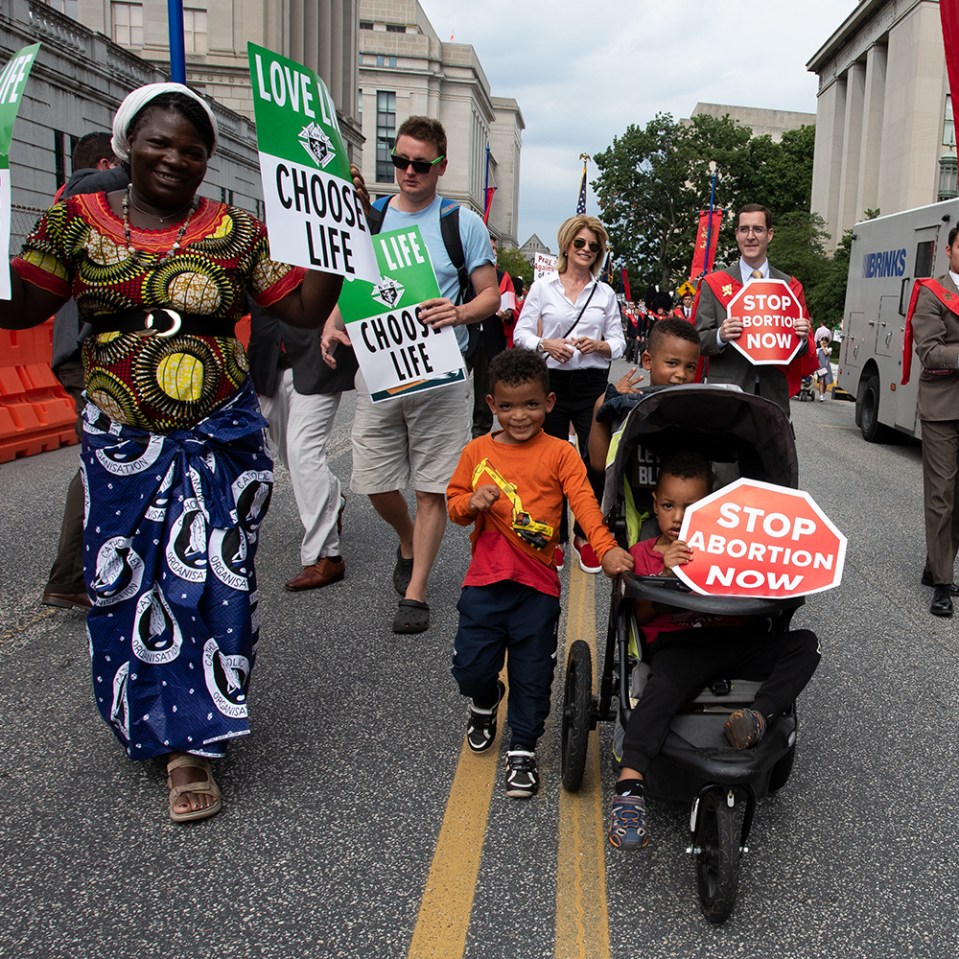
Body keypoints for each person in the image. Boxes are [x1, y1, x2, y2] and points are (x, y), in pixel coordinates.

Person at [0, 83, 346, 823]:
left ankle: (191, 745)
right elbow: (25, 304)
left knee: (211, 581)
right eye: (159, 142)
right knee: (125, 582)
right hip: (121, 443)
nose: (174, 158)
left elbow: (302, 309)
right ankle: (141, 711)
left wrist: (332, 238)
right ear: (128, 143)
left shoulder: (235, 230)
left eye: (192, 149)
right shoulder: (75, 220)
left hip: (217, 438)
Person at [322, 115, 500, 634]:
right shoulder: (369, 218)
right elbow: (353, 285)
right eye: (400, 161)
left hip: (442, 376)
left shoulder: (461, 222)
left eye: (420, 164)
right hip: (381, 372)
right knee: (373, 482)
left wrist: (460, 312)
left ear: (440, 166)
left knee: (432, 489)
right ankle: (405, 538)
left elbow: (489, 295)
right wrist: (333, 326)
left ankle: (417, 590)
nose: (408, 172)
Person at [607, 452, 821, 850]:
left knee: (806, 644)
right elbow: (639, 613)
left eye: (690, 507)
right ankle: (630, 785)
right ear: (654, 504)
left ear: (712, 507)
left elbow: (774, 576)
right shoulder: (644, 554)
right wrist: (663, 574)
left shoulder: (735, 547)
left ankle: (757, 716)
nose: (677, 517)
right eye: (668, 506)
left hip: (736, 639)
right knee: (662, 687)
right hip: (681, 645)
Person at [446, 348, 633, 797]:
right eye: (507, 406)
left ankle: (523, 750)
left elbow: (585, 505)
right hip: (484, 585)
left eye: (531, 405)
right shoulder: (477, 452)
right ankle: (486, 699)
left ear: (549, 403)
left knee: (532, 677)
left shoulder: (560, 454)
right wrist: (470, 504)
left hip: (537, 588)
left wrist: (605, 548)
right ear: (491, 405)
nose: (520, 416)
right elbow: (453, 504)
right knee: (470, 670)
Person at [42, 132, 129, 610]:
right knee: (102, 460)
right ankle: (71, 574)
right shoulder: (82, 193)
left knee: (106, 456)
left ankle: (81, 571)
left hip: (84, 351)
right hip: (86, 353)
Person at [513, 214, 624, 574]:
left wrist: (601, 345)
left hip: (592, 385)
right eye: (580, 243)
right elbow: (521, 334)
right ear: (566, 245)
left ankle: (583, 534)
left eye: (594, 246)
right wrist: (546, 343)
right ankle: (554, 535)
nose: (587, 250)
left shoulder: (604, 293)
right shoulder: (544, 288)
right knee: (550, 465)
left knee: (595, 464)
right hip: (553, 387)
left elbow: (620, 342)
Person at [248, 299, 356, 590]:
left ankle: (326, 556)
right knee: (289, 453)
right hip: (266, 359)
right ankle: (332, 495)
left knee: (303, 453)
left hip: (318, 354)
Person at [692, 204, 815, 416]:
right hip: (727, 394)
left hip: (772, 396)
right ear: (737, 235)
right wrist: (720, 336)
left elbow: (801, 352)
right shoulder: (713, 284)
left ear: (770, 235)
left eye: (757, 229)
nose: (750, 236)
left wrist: (802, 338)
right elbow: (697, 341)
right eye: (744, 229)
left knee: (770, 450)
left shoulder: (790, 286)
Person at [907, 225, 959, 616]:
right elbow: (932, 352)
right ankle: (942, 583)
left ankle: (935, 563)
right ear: (949, 250)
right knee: (941, 498)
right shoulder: (932, 291)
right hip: (943, 407)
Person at [586, 317, 702, 476]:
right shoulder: (626, 405)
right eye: (672, 363)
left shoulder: (699, 410)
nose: (682, 374)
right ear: (647, 361)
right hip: (632, 498)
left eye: (690, 367)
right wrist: (603, 403)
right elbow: (599, 464)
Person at [470, 234, 517, 437]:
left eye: (495, 250)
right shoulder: (464, 273)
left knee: (484, 392)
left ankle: (479, 435)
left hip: (490, 341)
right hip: (464, 339)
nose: (493, 253)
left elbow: (511, 313)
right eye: (489, 248)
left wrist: (506, 315)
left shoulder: (502, 278)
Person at [815, 336, 833, 401]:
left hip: (827, 368)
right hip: (820, 368)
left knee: (825, 383)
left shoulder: (829, 349)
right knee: (821, 381)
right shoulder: (818, 350)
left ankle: (823, 393)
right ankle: (821, 395)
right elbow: (816, 358)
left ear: (827, 343)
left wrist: (822, 346)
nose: (824, 344)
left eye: (825, 343)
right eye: (823, 343)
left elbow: (826, 353)